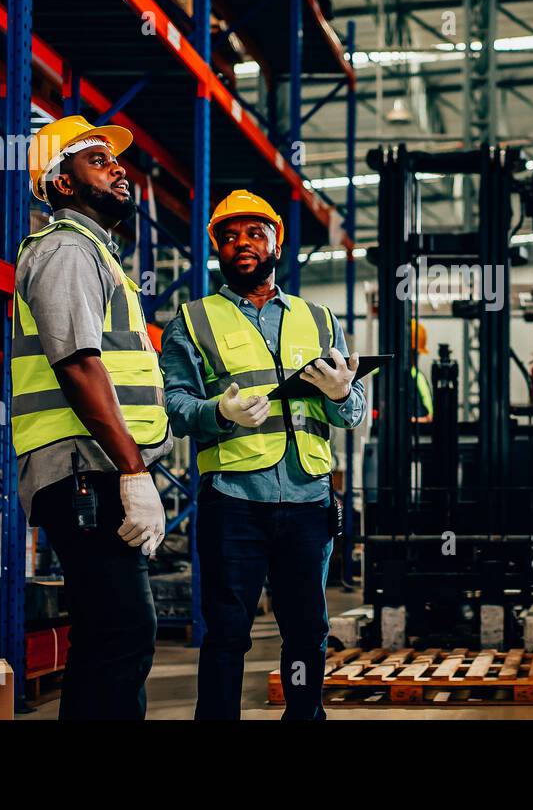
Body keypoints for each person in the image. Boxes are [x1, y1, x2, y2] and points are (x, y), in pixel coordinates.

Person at [159, 189, 366, 720]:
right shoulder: (193, 319)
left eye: (254, 234)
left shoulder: (318, 319)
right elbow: (175, 406)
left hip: (308, 497)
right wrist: (218, 413)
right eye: (228, 238)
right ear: (218, 252)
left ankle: (303, 717)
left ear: (277, 241)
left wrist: (344, 395)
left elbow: (354, 411)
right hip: (235, 501)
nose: (241, 244)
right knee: (227, 631)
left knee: (307, 630)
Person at [10, 115, 170, 720]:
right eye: (97, 161)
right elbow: (77, 365)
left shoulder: (94, 255)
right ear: (62, 184)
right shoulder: (68, 251)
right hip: (87, 472)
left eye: (116, 160)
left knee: (107, 637)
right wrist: (131, 471)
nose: (118, 168)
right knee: (124, 632)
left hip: (95, 473)